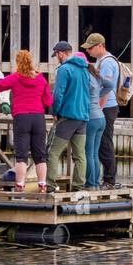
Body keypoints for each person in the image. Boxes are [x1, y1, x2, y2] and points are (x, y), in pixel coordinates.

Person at [0, 50, 52, 192]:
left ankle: (20, 186)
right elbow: (48, 101)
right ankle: (42, 185)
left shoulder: (15, 78)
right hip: (38, 118)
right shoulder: (41, 79)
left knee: (21, 156)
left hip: (22, 118)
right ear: (31, 62)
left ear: (18, 63)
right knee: (40, 155)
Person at [47, 41, 90, 191]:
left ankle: (51, 185)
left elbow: (58, 94)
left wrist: (54, 111)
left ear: (61, 53)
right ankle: (79, 186)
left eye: (57, 55)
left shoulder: (64, 69)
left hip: (67, 116)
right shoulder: (85, 69)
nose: (57, 57)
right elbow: (87, 93)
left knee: (52, 152)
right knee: (80, 155)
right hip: (83, 117)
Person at [82, 33, 122, 189]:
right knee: (100, 145)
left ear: (100, 45)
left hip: (106, 107)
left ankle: (109, 180)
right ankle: (100, 179)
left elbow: (105, 88)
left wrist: (97, 108)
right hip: (104, 107)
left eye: (90, 48)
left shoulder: (106, 63)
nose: (88, 51)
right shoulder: (100, 60)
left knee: (105, 144)